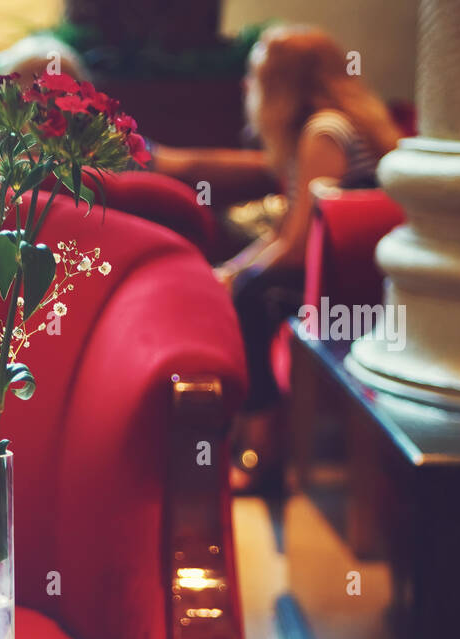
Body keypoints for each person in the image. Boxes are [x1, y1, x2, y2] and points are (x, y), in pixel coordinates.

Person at [153, 25, 403, 492]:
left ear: (284, 81)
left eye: (256, 73)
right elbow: (288, 233)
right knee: (243, 285)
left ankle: (260, 451)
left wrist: (236, 275)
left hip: (349, 288)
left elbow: (300, 246)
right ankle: (245, 435)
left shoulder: (322, 133)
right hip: (350, 278)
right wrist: (231, 270)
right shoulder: (326, 126)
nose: (247, 85)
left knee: (253, 296)